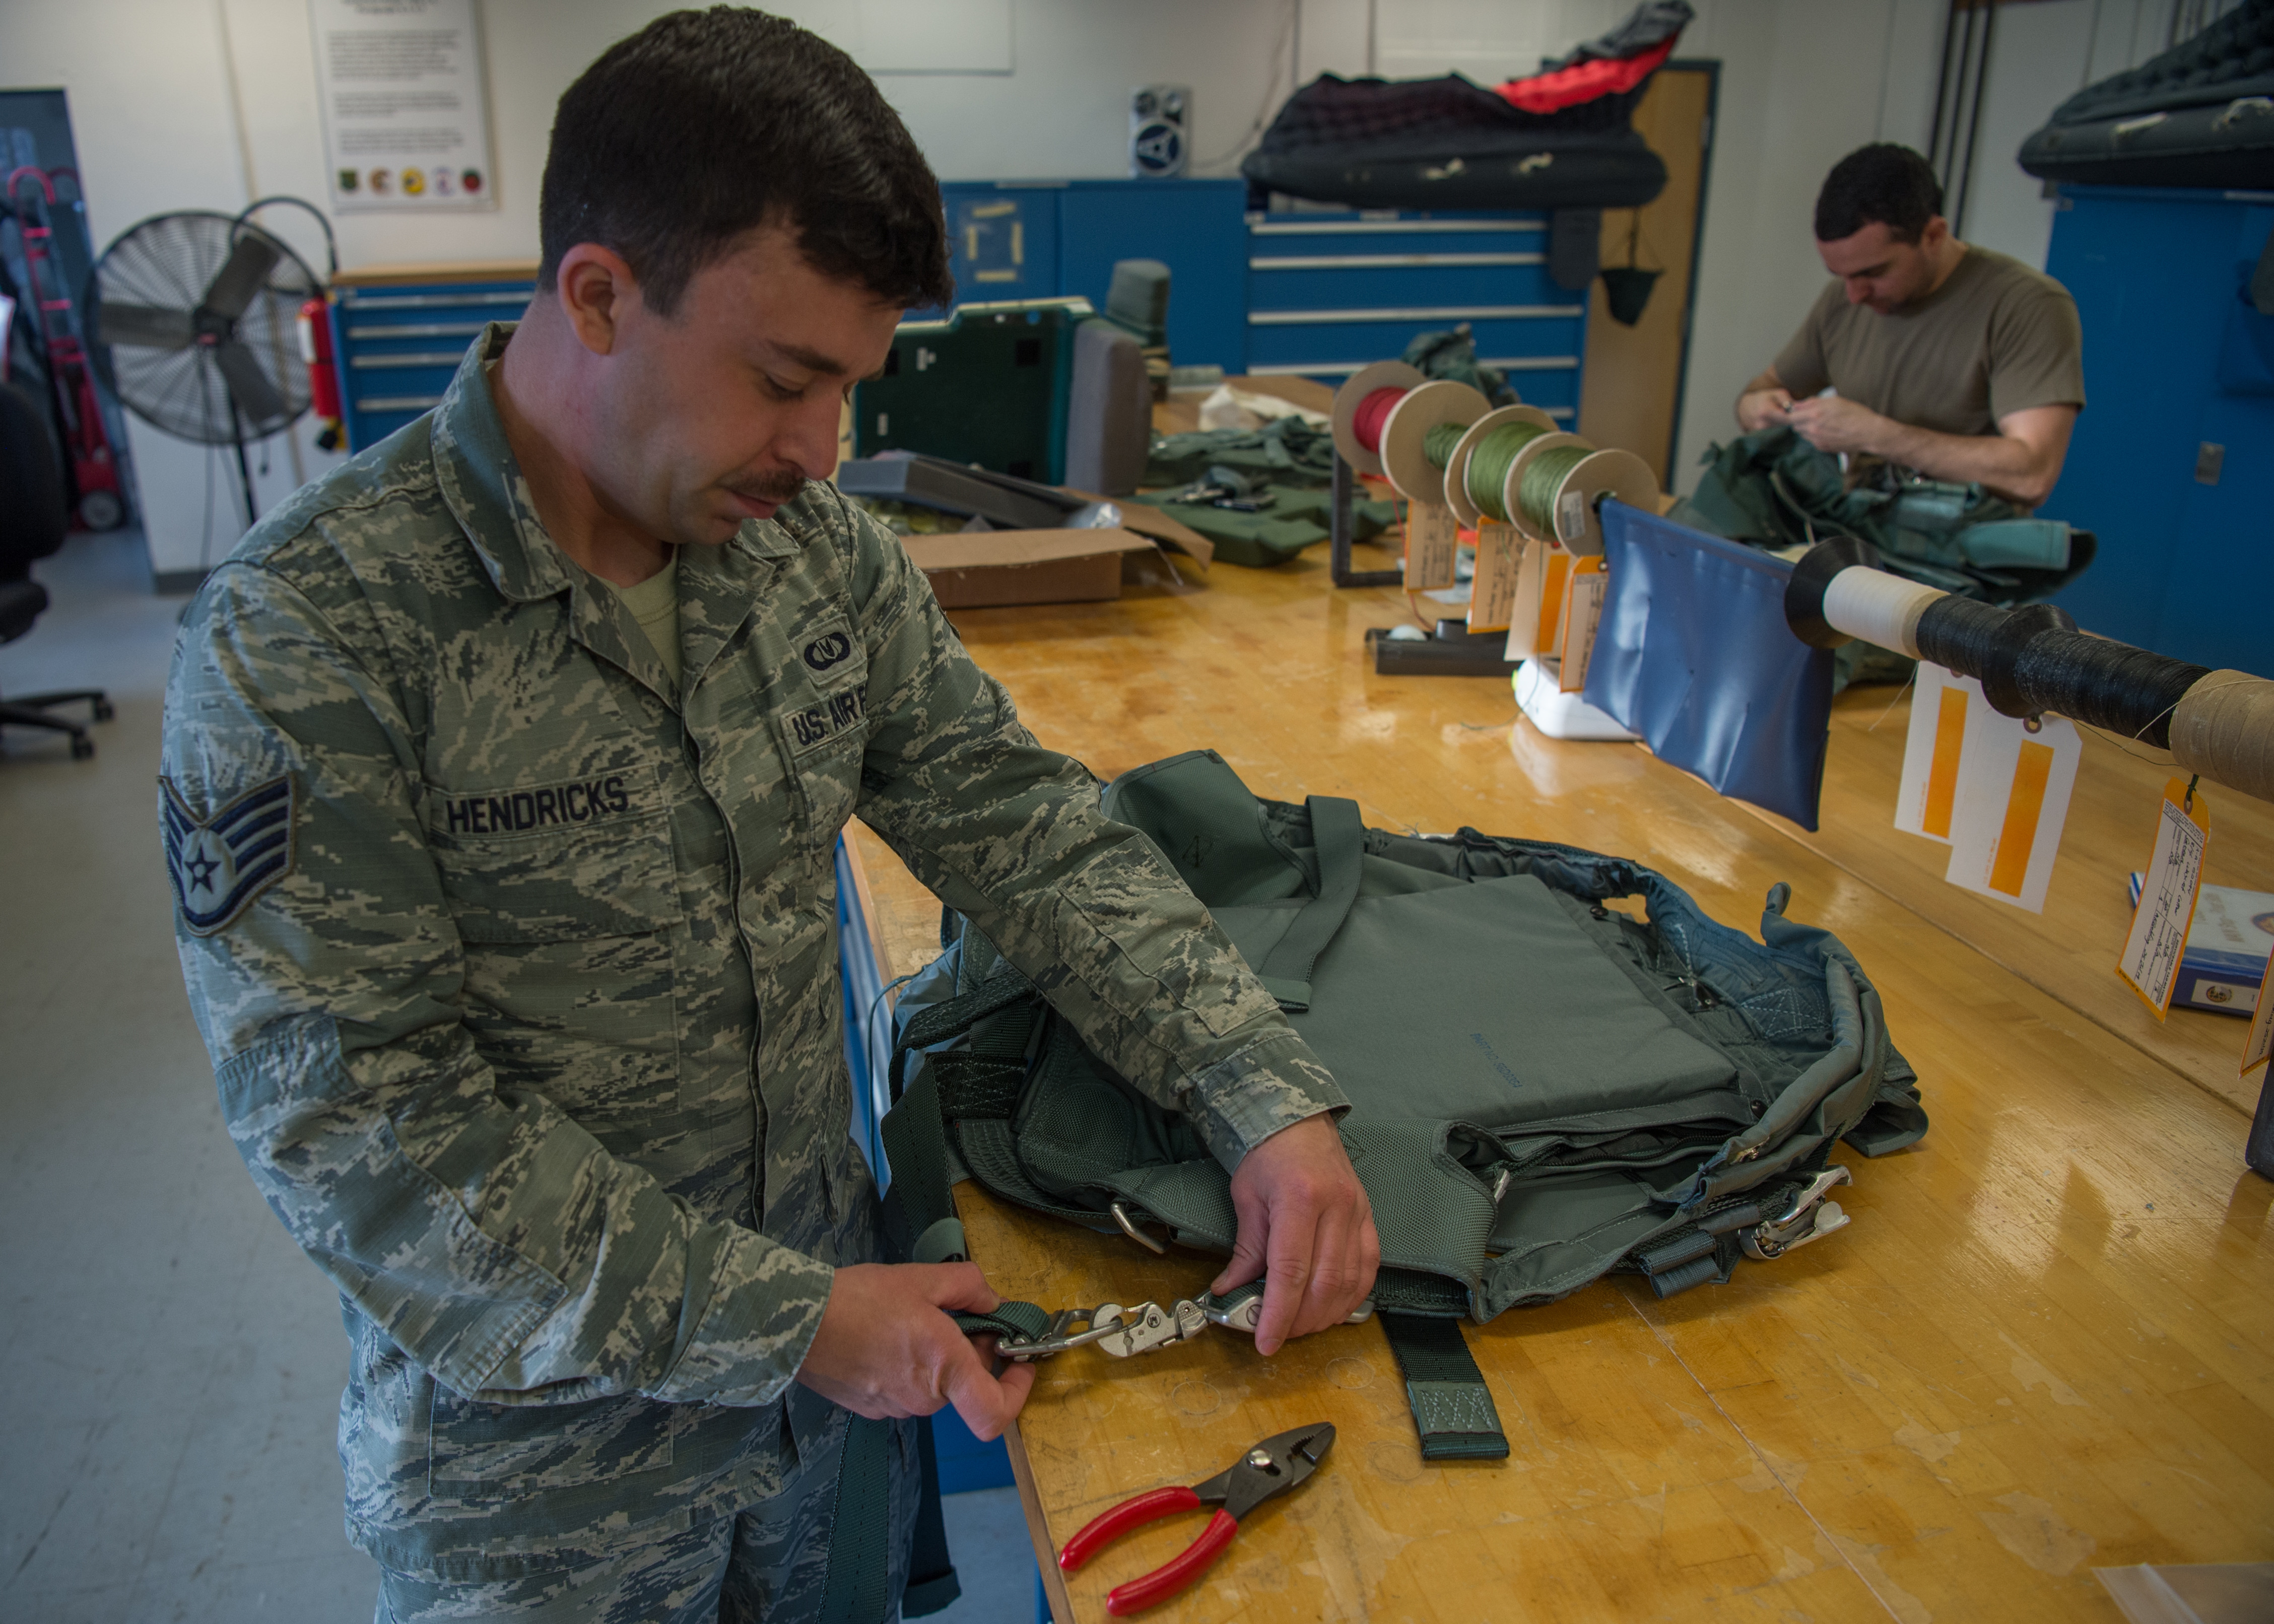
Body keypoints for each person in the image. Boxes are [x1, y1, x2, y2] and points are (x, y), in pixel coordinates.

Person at [159, 10, 1378, 1619]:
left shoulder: (813, 559)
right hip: (544, 1500)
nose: (824, 451)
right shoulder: (313, 634)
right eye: (786, 380)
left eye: (852, 390)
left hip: (815, 1448)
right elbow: (365, 1138)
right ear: (597, 296)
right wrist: (790, 1318)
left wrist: (1256, 1090)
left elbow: (1019, 820)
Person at [1734, 143, 2085, 509]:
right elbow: (1764, 389)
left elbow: (2031, 475)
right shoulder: (1843, 300)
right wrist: (1756, 409)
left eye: (1874, 273)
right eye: (1841, 276)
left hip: (1957, 551)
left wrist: (1877, 436)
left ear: (1933, 235)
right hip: (1857, 533)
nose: (1855, 295)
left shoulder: (2027, 306)